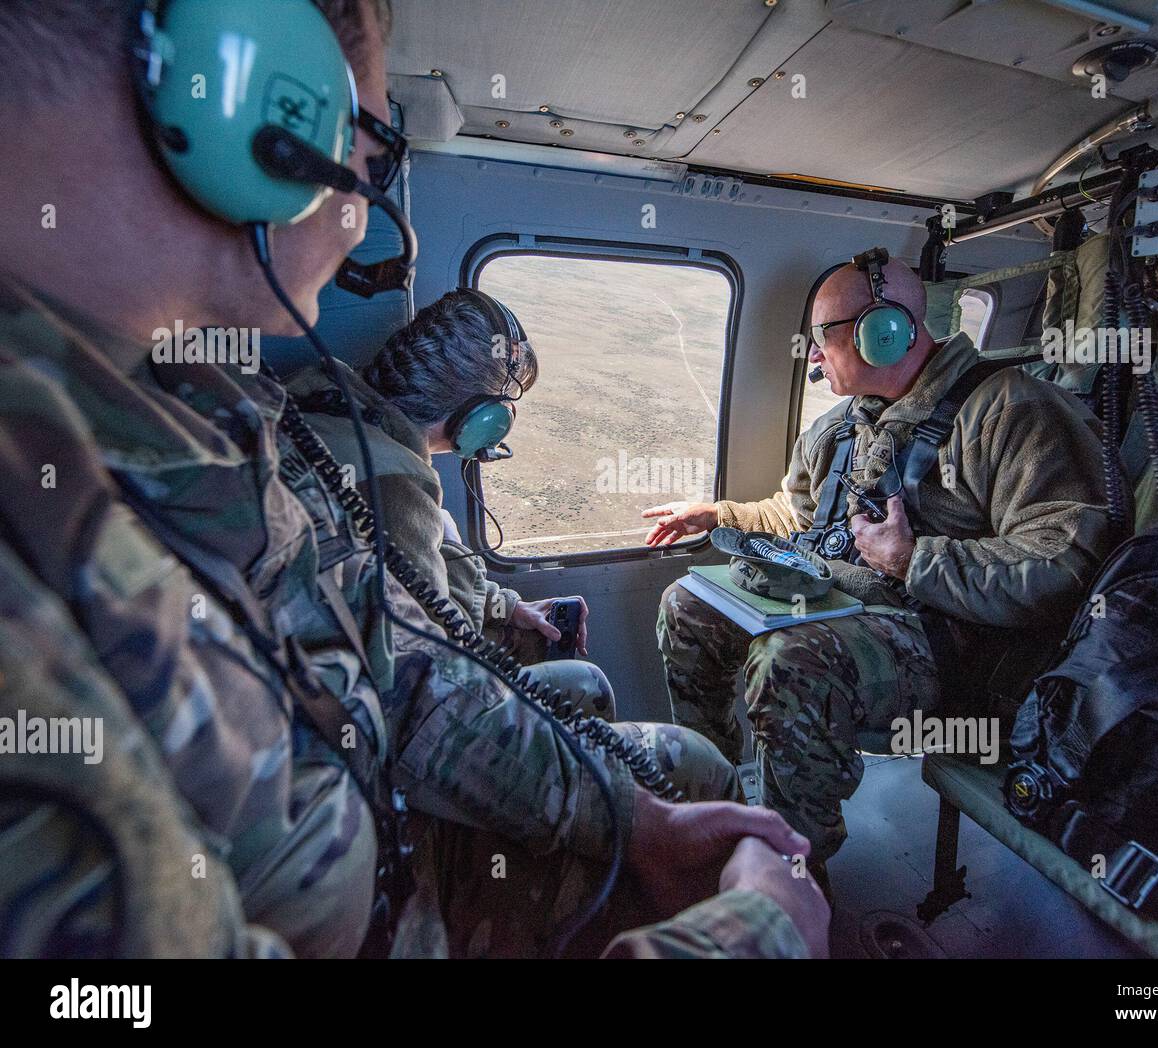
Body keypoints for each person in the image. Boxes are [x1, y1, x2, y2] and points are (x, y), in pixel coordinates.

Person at [0, 0, 827, 958]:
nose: (369, 205)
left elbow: (391, 659)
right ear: (261, 112)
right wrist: (754, 942)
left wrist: (627, 819)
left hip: (384, 842)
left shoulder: (216, 404)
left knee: (669, 795)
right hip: (380, 906)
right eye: (375, 145)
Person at [647, 254, 1114, 870]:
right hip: (848, 609)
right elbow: (803, 519)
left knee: (791, 660)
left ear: (882, 331)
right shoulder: (840, 427)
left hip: (955, 648)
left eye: (822, 338)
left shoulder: (1011, 412)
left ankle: (792, 870)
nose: (812, 355)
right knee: (686, 605)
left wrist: (913, 559)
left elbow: (1064, 567)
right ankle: (717, 799)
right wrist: (719, 514)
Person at [286, 289, 614, 720]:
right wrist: (452, 541)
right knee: (588, 685)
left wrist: (505, 604)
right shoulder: (392, 480)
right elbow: (442, 651)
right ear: (479, 420)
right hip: (382, 706)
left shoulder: (323, 397)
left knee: (537, 637)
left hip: (327, 655)